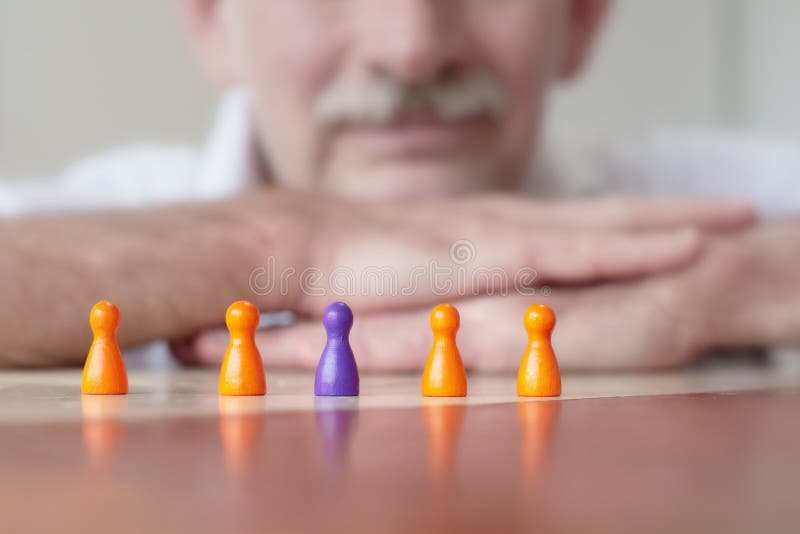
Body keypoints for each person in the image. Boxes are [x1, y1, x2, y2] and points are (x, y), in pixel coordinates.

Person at [0, 0, 798, 371]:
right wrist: (280, 247)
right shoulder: (95, 216)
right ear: (212, 21)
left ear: (582, 18)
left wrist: (729, 287)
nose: (413, 47)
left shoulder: (697, 210)